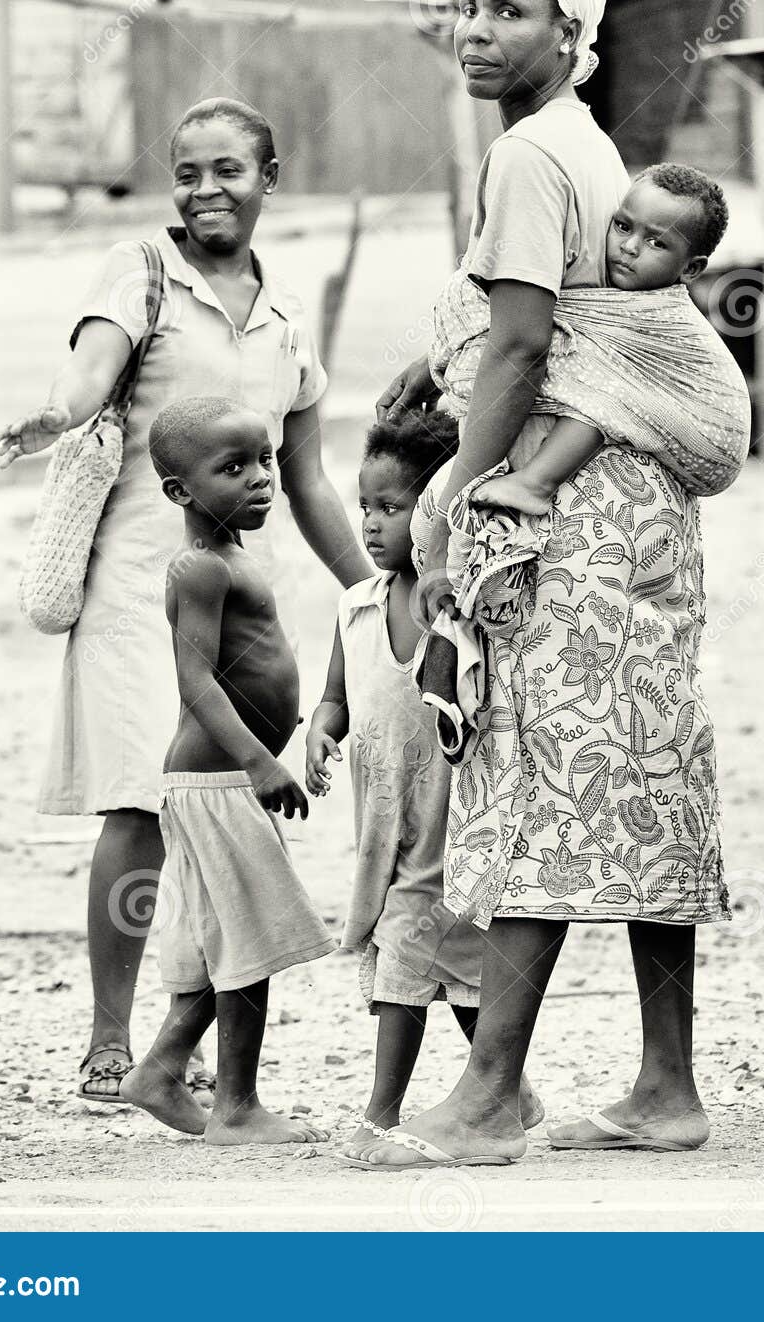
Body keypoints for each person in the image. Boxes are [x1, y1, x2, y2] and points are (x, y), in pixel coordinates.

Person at [363, 0, 730, 1170]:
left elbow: (523, 346)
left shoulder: (529, 153)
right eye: (466, 7)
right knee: (635, 777)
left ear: (570, 36)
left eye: (509, 12)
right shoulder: (584, 142)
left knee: (539, 776)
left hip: (566, 514)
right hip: (639, 518)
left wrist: (457, 492)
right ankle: (664, 1083)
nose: (477, 29)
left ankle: (489, 1091)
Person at [0, 98, 369, 1107]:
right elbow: (91, 375)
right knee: (140, 804)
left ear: (269, 178)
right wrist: (55, 413)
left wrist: (373, 591)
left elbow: (310, 480)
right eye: (188, 171)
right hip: (134, 587)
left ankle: (187, 1037)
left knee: (215, 811)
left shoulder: (288, 317)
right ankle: (109, 1044)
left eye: (228, 171)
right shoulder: (139, 273)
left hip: (237, 606)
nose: (207, 189)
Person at [304, 408, 546, 1161]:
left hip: (450, 826)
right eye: (366, 507)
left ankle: (381, 1113)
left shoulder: (451, 610)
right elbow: (339, 695)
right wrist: (320, 729)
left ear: (439, 510)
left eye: (395, 507)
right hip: (387, 822)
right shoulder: (355, 606)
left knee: (407, 959)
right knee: (454, 973)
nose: (374, 525)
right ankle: (510, 1092)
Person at [111, 396, 332, 1144]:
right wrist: (259, 759)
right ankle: (236, 1106)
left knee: (233, 935)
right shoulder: (199, 568)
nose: (262, 479)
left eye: (266, 460)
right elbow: (196, 680)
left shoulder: (234, 557)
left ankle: (161, 1069)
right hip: (219, 781)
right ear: (180, 492)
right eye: (233, 468)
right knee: (253, 938)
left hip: (225, 782)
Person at [470, 162, 730, 519]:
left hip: (713, 433)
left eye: (657, 242)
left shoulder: (662, 316)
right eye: (623, 226)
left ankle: (535, 483)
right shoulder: (615, 299)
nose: (630, 247)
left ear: (690, 269)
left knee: (602, 396)